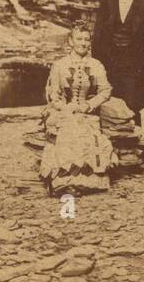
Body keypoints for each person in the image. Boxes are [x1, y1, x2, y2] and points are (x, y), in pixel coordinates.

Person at [39, 27, 118, 196]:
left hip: (88, 113)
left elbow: (106, 90)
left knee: (86, 131)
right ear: (70, 41)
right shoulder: (60, 65)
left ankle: (86, 182)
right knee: (68, 129)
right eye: (79, 39)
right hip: (65, 112)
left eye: (86, 39)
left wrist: (89, 104)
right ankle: (63, 182)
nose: (83, 43)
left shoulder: (96, 65)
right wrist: (64, 107)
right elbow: (53, 93)